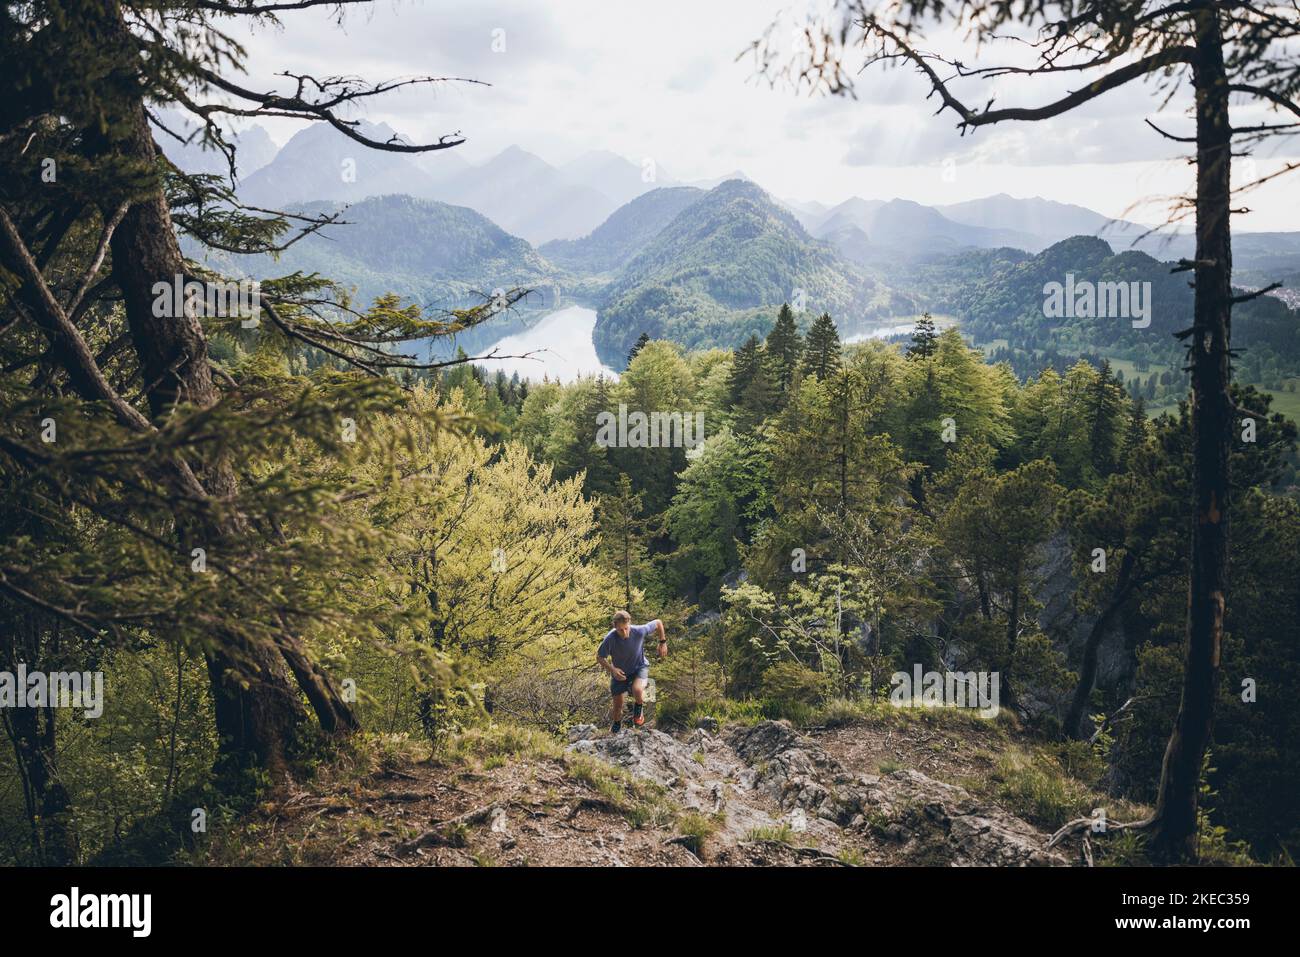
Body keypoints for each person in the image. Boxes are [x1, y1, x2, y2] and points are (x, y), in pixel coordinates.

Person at [596, 610, 667, 733]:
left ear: (630, 624)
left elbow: (658, 622)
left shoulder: (639, 631)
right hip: (620, 673)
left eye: (626, 628)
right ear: (615, 627)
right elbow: (599, 657)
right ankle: (616, 725)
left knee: (637, 690)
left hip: (639, 667)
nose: (624, 632)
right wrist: (612, 669)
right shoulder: (610, 639)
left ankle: (638, 709)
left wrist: (662, 642)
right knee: (618, 706)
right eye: (620, 630)